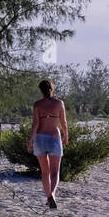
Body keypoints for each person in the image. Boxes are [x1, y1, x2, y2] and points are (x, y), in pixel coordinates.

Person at [27, 80, 68, 209]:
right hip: (54, 138)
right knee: (55, 172)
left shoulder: (37, 105)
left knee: (45, 172)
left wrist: (31, 141)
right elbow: (64, 122)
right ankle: (52, 195)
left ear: (41, 91)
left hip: (40, 139)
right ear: (52, 89)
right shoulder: (59, 103)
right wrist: (66, 135)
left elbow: (35, 124)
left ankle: (49, 196)